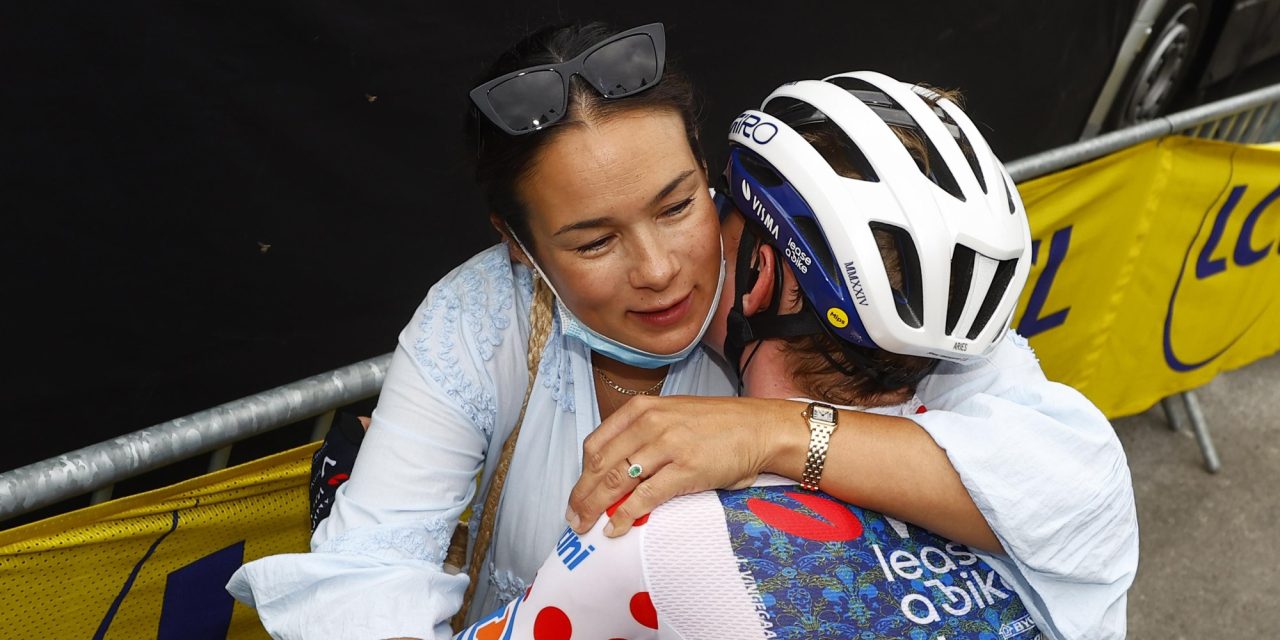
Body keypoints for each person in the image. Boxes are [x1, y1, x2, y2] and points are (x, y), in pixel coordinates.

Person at [227, 21, 1136, 640]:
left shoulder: (850, 277)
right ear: (519, 246)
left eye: (676, 205)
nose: (658, 269)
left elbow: (1074, 488)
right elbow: (364, 576)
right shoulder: (482, 320)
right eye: (592, 240)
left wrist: (775, 432)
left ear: (715, 177)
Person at [455, 70, 1054, 640]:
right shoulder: (1048, 484)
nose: (664, 267)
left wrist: (765, 434)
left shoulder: (646, 536)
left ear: (759, 275)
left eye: (700, 210)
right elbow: (1081, 479)